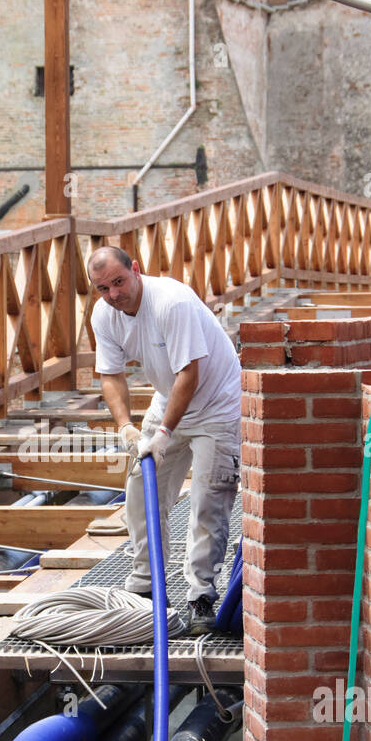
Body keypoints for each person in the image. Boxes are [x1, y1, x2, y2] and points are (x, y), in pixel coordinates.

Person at [88, 245, 241, 634]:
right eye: (103, 288)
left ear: (136, 269)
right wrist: (126, 426)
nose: (114, 295)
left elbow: (189, 373)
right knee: (141, 488)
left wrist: (163, 434)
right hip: (167, 396)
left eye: (119, 282)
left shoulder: (171, 303)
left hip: (217, 403)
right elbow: (111, 375)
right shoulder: (105, 314)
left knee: (209, 499)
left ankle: (201, 595)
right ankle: (147, 585)